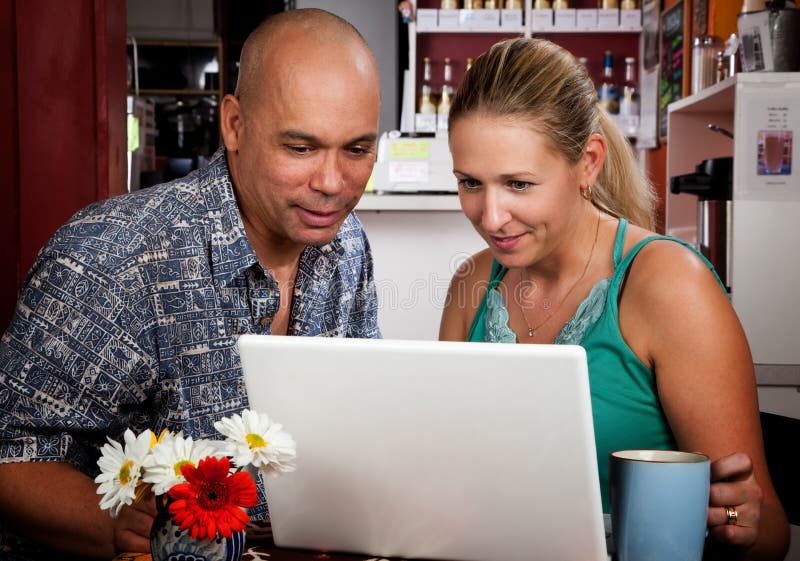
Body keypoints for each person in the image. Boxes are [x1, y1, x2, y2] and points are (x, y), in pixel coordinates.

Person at [0, 9, 381, 560]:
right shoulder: (109, 257)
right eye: (300, 148)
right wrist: (114, 526)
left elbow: (361, 413)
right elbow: (11, 454)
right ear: (235, 125)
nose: (331, 182)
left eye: (357, 150)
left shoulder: (349, 243)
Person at [439, 38, 789, 560]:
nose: (490, 217)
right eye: (471, 183)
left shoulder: (670, 285)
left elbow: (771, 535)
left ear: (588, 163)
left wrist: (738, 523)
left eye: (519, 184)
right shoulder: (472, 284)